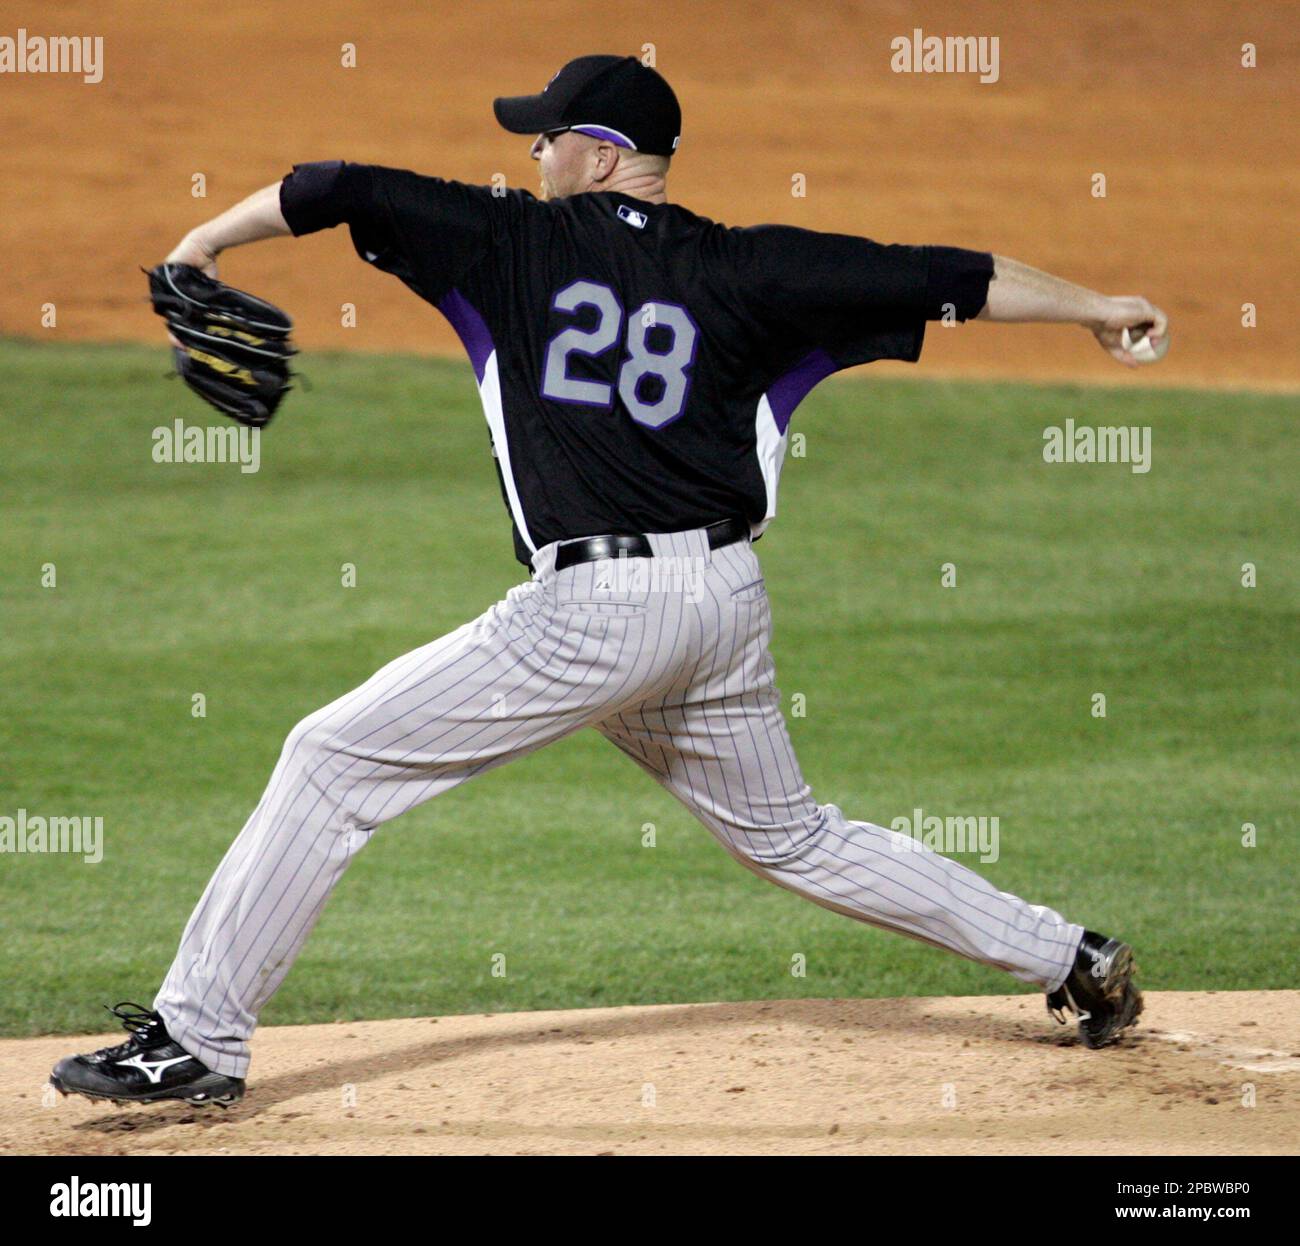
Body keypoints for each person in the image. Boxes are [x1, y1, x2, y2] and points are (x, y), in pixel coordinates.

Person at [52, 54, 1162, 1108]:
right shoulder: (751, 265)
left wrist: (199, 245)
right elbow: (952, 278)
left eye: (542, 137)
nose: (529, 156)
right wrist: (1097, 306)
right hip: (722, 607)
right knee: (794, 837)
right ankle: (1072, 954)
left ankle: (195, 1042)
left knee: (331, 759)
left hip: (591, 617)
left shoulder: (504, 242)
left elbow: (330, 184)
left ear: (594, 151)